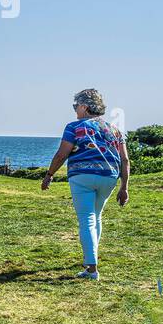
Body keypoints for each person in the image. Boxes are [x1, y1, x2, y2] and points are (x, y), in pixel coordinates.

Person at [41, 88, 129, 280]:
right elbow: (125, 160)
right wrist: (124, 187)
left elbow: (62, 154)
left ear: (84, 107)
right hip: (109, 177)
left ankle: (91, 268)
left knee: (87, 218)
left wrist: (49, 174)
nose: (75, 110)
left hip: (82, 176)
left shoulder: (74, 127)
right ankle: (92, 258)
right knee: (96, 217)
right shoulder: (115, 131)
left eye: (76, 106)